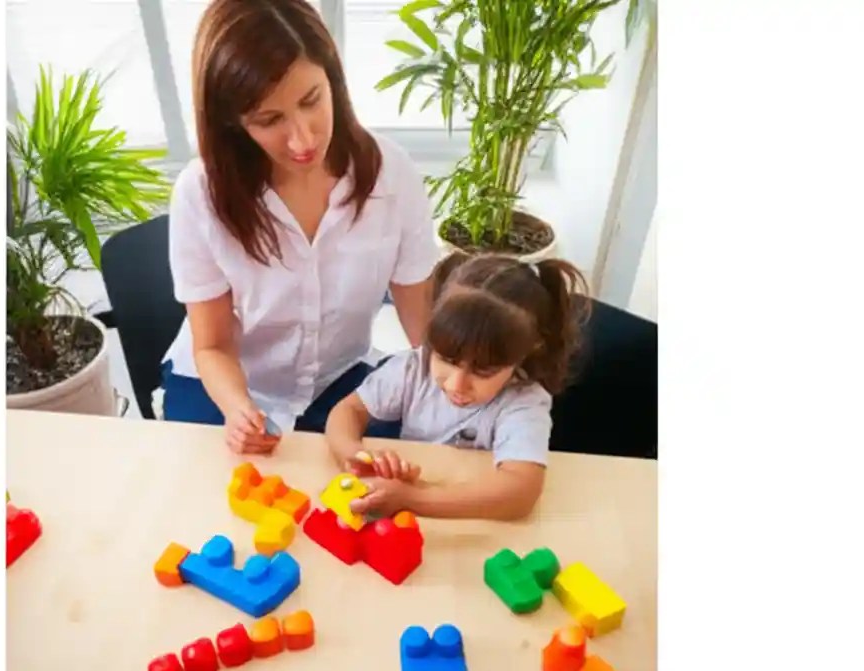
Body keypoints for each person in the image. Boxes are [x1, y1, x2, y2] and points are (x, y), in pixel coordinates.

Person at [161, 0, 440, 455]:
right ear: (234, 123)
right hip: (225, 385)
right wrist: (238, 410)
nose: (303, 139)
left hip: (340, 380)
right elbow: (210, 345)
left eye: (311, 100)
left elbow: (423, 324)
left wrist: (461, 397)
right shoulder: (201, 193)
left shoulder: (393, 175)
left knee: (391, 481)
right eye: (269, 120)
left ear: (332, 75)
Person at [324, 252, 592, 521]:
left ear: (526, 352)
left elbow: (521, 492)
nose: (456, 384)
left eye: (483, 371)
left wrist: (414, 499)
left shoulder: (524, 401)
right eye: (446, 359)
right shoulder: (415, 367)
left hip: (466, 515)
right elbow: (349, 410)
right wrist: (353, 455)